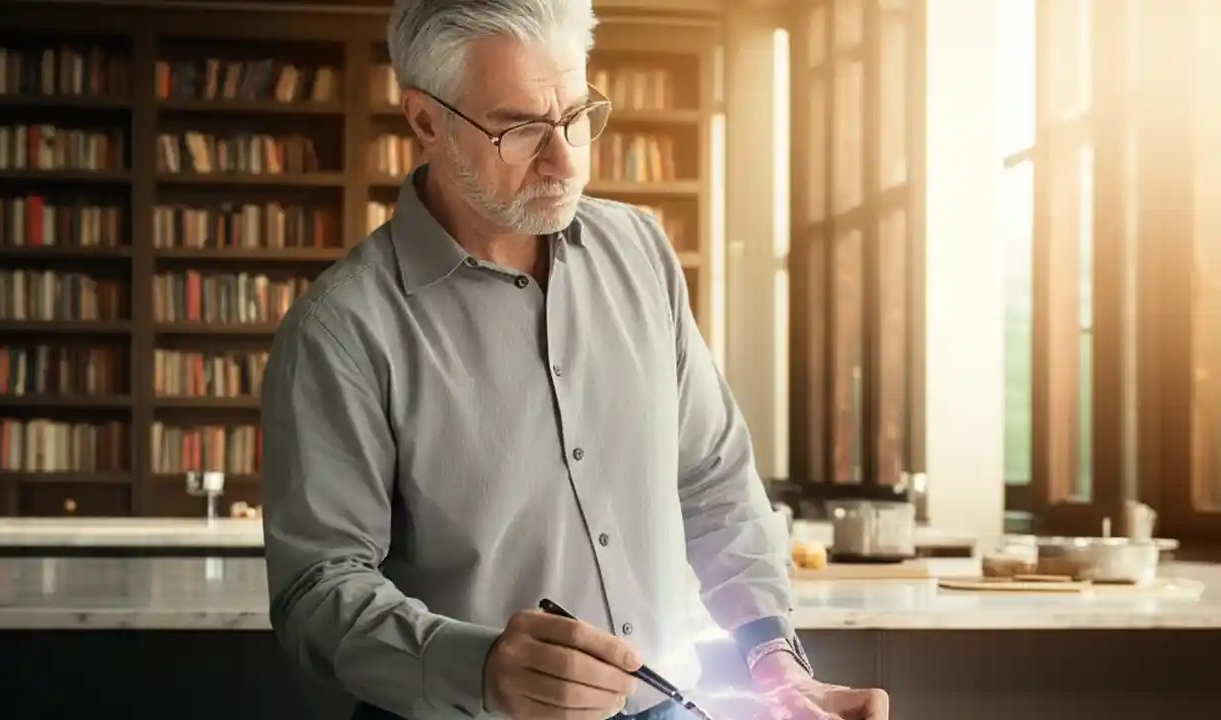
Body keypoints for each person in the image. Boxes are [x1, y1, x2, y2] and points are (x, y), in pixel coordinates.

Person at [260, 1, 890, 719]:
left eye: (577, 114)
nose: (564, 158)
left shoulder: (642, 252)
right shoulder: (340, 329)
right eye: (521, 126)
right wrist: (480, 669)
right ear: (426, 122)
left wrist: (773, 659)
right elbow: (317, 588)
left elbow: (713, 481)